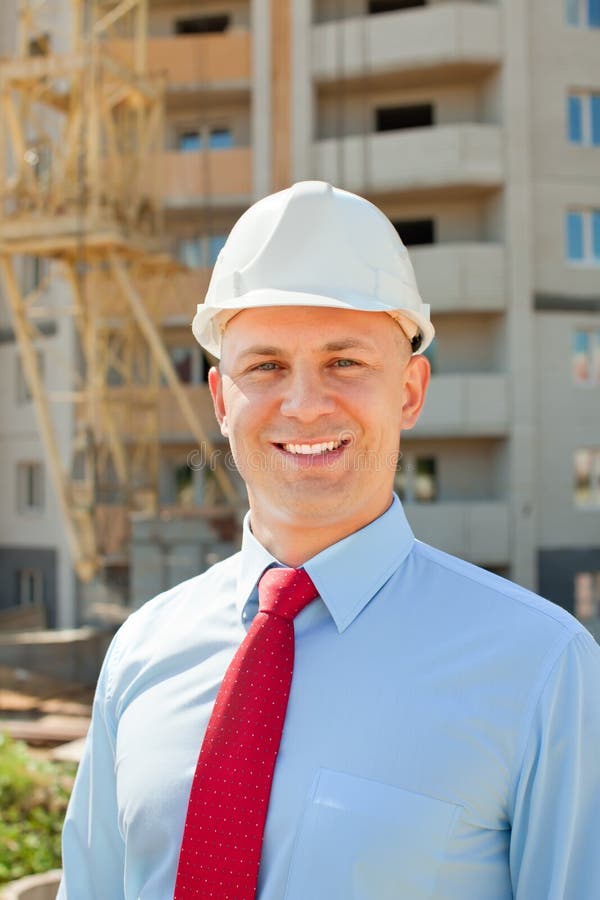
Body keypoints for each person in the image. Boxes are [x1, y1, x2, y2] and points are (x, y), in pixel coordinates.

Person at [59, 181, 600, 900]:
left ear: (409, 391)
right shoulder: (140, 655)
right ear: (222, 401)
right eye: (266, 367)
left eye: (345, 362)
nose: (306, 404)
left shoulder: (541, 670)